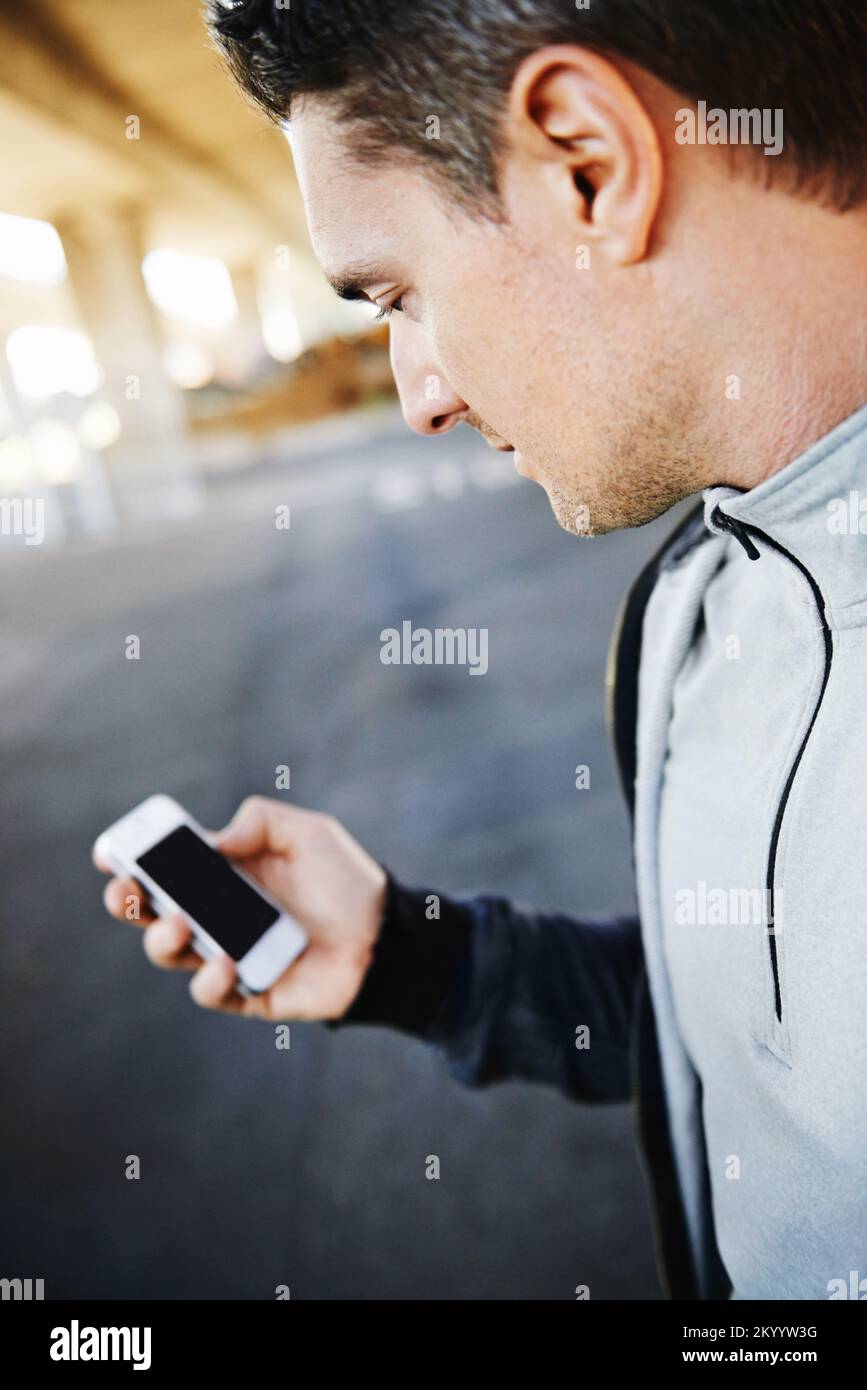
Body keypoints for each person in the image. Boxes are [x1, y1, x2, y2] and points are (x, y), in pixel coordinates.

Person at [95, 1, 867, 1300]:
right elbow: (739, 1040)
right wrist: (419, 958)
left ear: (588, 163)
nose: (422, 396)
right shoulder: (691, 603)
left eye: (399, 295)